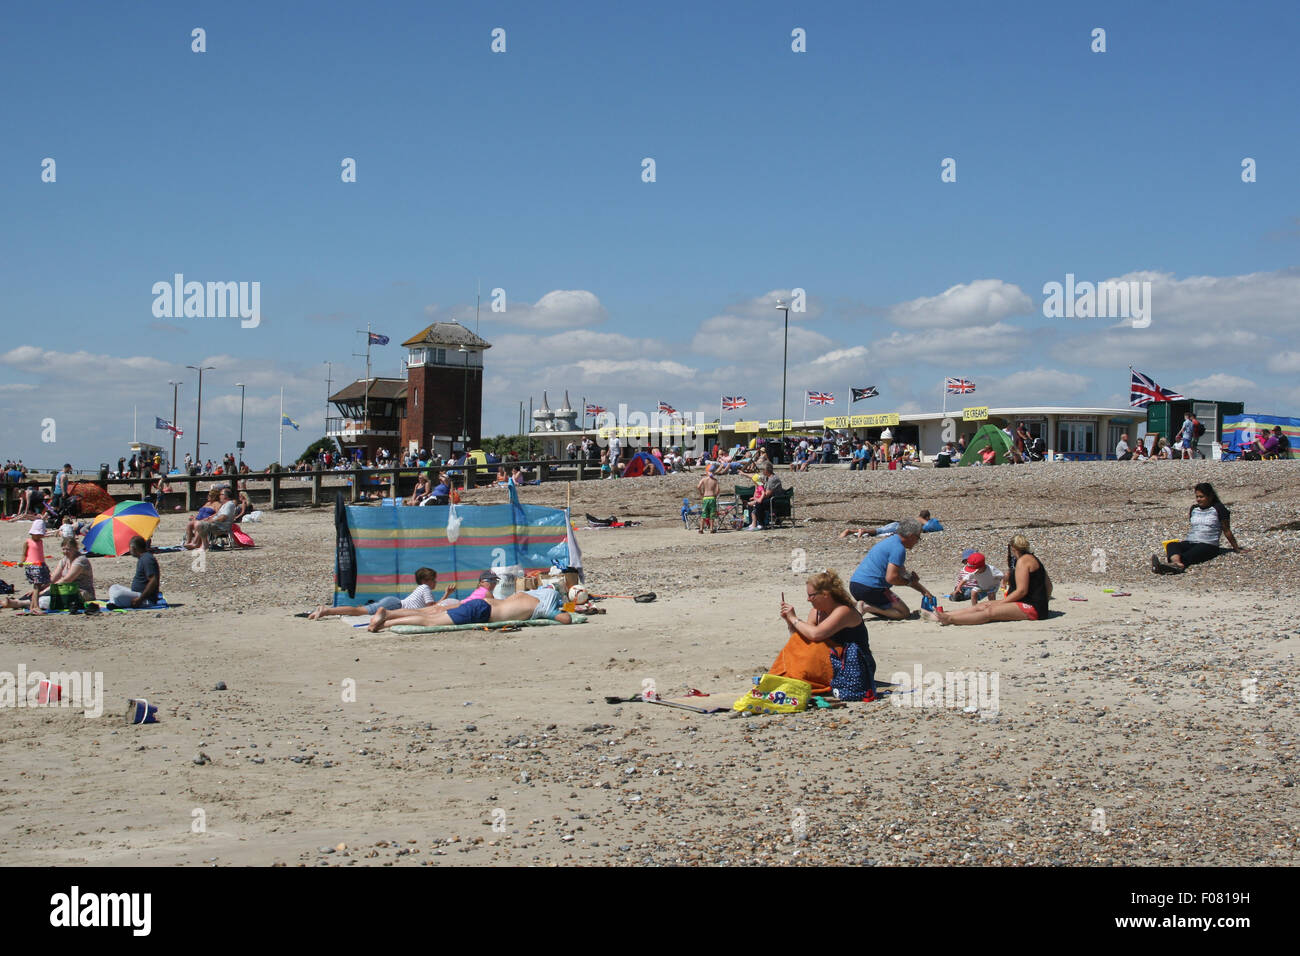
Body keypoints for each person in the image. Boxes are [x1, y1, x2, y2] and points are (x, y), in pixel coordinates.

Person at [771, 571, 876, 701]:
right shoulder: (817, 612)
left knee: (809, 651)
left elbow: (816, 634)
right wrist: (790, 622)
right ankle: (788, 675)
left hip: (853, 664)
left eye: (811, 596)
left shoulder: (844, 611)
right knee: (797, 643)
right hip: (831, 658)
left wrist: (794, 619)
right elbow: (804, 640)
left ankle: (797, 679)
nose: (808, 599)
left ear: (825, 594)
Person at [921, 535, 1051, 625]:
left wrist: (1003, 602)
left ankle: (949, 619)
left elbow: (1022, 591)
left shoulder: (1023, 561)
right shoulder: (1032, 558)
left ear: (1013, 548)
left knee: (990, 611)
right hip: (1028, 603)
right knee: (983, 605)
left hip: (1033, 607)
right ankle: (944, 614)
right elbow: (1048, 585)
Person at [368, 585, 573, 631]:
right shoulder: (544, 607)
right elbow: (566, 619)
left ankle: (389, 614)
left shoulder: (528, 594)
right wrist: (560, 613)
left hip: (482, 605)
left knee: (432, 612)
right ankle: (387, 622)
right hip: (482, 612)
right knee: (430, 620)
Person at [847, 517, 933, 620]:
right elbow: (891, 578)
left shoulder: (891, 540)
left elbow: (902, 573)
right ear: (910, 536)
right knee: (903, 613)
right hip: (871, 588)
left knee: (890, 607)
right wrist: (908, 582)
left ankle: (862, 605)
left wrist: (923, 590)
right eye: (918, 538)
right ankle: (866, 607)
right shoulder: (899, 548)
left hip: (855, 585)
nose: (917, 542)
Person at [1152, 482, 1244, 573]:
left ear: (1210, 496)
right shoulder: (1194, 509)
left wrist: (1236, 548)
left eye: (1201, 497)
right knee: (1172, 545)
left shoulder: (1219, 509)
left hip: (1208, 544)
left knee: (1191, 554)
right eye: (1197, 497)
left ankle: (1175, 565)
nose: (1198, 499)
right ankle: (1176, 563)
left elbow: (1227, 530)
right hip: (1191, 541)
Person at [306, 567, 452, 619]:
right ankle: (327, 611)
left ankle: (326, 611)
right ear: (426, 580)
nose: (436, 583)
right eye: (434, 580)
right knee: (358, 611)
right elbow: (431, 608)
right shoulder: (425, 588)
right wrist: (446, 595)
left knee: (359, 611)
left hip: (394, 603)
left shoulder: (422, 588)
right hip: (394, 605)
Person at [0, 519, 52, 613]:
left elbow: (40, 554)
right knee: (37, 587)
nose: (40, 536)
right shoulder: (28, 542)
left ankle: (32, 606)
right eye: (38, 534)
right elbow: (24, 554)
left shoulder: (40, 542)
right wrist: (21, 562)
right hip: (32, 566)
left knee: (40, 586)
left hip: (40, 565)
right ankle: (35, 606)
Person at [35, 537, 95, 611]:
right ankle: (26, 602)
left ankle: (23, 603)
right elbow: (53, 578)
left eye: (68, 549)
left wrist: (45, 591)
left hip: (82, 592)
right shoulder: (64, 560)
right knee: (38, 595)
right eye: (63, 549)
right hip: (66, 589)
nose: (65, 551)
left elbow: (66, 580)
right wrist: (38, 589)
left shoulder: (81, 561)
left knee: (45, 599)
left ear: (76, 548)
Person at [107, 535, 161, 608]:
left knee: (117, 595)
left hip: (145, 599)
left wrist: (140, 599)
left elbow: (153, 581)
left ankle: (115, 603)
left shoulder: (147, 559)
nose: (130, 551)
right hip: (137, 593)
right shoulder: (143, 558)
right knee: (114, 587)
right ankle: (114, 603)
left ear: (134, 548)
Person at [839, 510, 941, 539]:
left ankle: (851, 531)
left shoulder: (916, 518)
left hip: (897, 524)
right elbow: (935, 527)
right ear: (927, 517)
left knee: (879, 530)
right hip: (899, 527)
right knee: (879, 531)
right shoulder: (925, 522)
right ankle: (863, 531)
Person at [746, 464, 784, 530]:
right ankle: (753, 522)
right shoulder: (767, 477)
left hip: (775, 499)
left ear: (766, 470)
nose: (761, 472)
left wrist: (756, 500)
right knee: (750, 503)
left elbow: (767, 494)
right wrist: (743, 473)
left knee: (758, 504)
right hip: (769, 498)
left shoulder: (773, 479)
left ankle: (762, 523)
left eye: (762, 470)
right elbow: (755, 477)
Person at [696, 464, 720, 534]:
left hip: (705, 497)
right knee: (712, 514)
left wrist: (701, 493)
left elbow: (698, 486)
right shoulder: (715, 480)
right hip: (712, 497)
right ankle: (711, 529)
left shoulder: (704, 479)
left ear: (707, 472)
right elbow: (718, 490)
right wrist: (715, 495)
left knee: (704, 514)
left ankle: (701, 529)